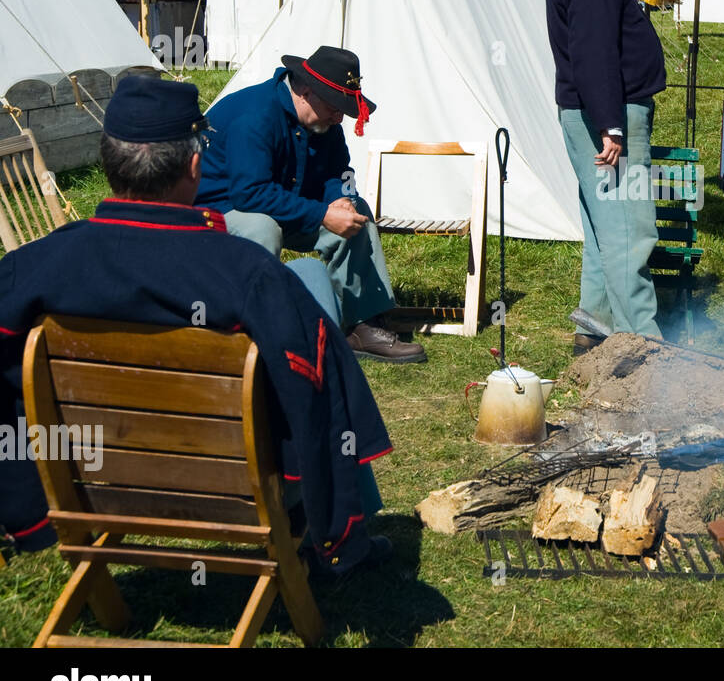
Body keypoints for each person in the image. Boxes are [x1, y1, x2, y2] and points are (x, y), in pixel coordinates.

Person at [0, 77, 392, 572]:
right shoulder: (250, 277)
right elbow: (320, 404)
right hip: (235, 484)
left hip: (83, 482)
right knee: (310, 285)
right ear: (194, 166)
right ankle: (335, 543)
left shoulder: (28, 270)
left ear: (107, 164)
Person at [194, 47, 426, 364]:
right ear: (305, 91)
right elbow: (249, 193)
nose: (339, 116)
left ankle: (360, 323)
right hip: (220, 209)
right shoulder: (255, 116)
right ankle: (252, 328)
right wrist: (322, 213)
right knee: (262, 226)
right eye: (335, 106)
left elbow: (340, 172)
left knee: (355, 211)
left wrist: (340, 199)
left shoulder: (323, 121)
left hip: (279, 201)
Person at [546, 0, 668, 353]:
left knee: (603, 223)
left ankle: (594, 324)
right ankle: (640, 339)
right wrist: (611, 126)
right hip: (607, 114)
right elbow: (593, 51)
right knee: (628, 228)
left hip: (600, 112)